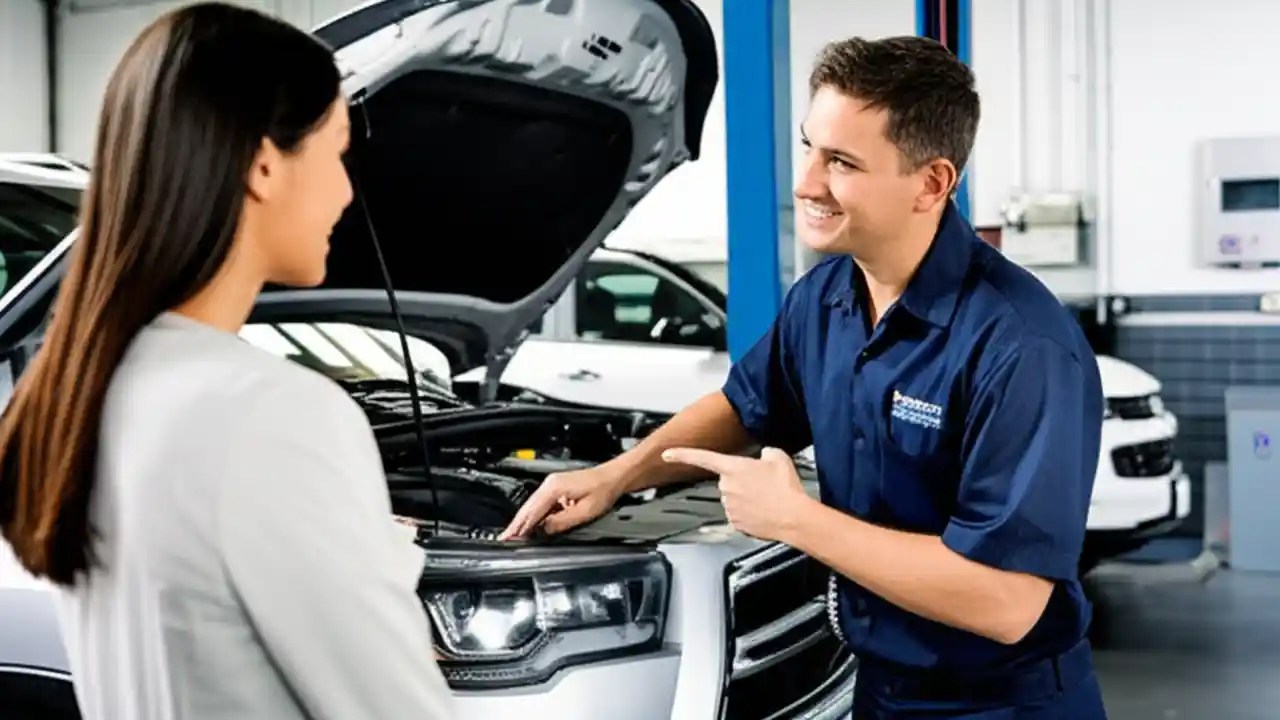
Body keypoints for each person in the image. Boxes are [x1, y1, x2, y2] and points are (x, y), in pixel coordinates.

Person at [502, 35, 1108, 719]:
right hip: (877, 687)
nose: (806, 183)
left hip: (1004, 707)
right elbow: (744, 407)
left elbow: (1006, 603)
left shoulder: (1021, 347)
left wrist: (796, 521)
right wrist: (617, 476)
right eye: (809, 148)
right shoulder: (823, 299)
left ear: (932, 183)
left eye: (842, 162)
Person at [0, 4, 454, 719]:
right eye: (337, 152)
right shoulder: (275, 415)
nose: (345, 190)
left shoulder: (85, 393)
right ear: (264, 164)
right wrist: (384, 577)